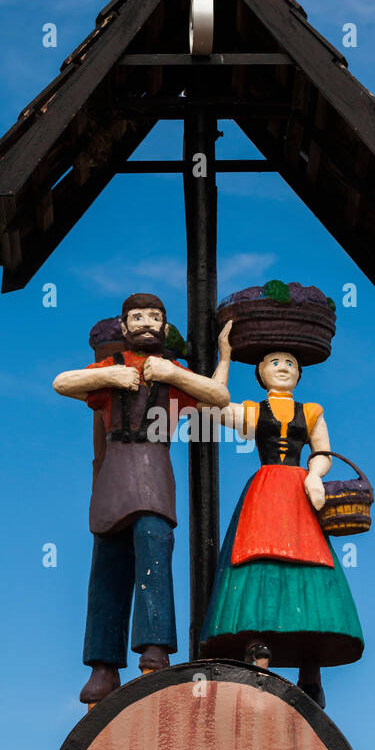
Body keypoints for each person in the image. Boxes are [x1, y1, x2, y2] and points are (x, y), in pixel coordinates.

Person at [53, 293, 229, 706]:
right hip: (115, 471)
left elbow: (216, 398)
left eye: (155, 317)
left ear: (165, 327)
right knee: (108, 566)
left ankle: (155, 648)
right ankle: (102, 664)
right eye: (138, 317)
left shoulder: (172, 372)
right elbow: (62, 382)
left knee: (154, 550)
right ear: (124, 324)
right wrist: (110, 379)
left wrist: (174, 372)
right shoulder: (111, 368)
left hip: (153, 467)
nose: (146, 323)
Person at [200, 322, 363, 708]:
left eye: (290, 362)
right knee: (261, 559)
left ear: (300, 372)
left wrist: (316, 476)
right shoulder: (258, 411)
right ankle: (258, 642)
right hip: (267, 489)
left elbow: (322, 451)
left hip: (301, 492)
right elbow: (211, 405)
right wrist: (224, 356)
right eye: (275, 362)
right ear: (260, 373)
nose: (284, 367)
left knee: (309, 566)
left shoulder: (311, 411)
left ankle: (311, 660)